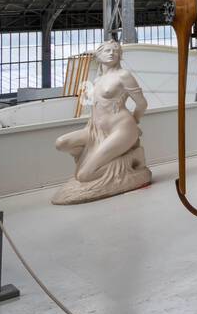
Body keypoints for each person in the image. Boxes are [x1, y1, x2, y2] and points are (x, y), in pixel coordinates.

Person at [52, 40, 151, 203]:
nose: (112, 53)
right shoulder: (97, 80)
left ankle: (134, 156)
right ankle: (93, 159)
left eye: (115, 51)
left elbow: (142, 104)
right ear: (98, 56)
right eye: (107, 51)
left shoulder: (123, 75)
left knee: (85, 175)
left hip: (121, 129)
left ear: (120, 55)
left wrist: (135, 121)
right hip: (95, 130)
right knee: (61, 143)